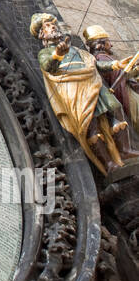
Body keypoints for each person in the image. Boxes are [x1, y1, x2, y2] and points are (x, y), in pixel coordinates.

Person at [31, 12, 129, 173]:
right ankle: (109, 163)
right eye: (47, 26)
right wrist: (57, 55)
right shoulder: (45, 53)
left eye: (53, 24)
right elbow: (48, 66)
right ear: (42, 34)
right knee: (91, 126)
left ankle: (124, 150)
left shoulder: (76, 49)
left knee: (115, 107)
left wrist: (115, 64)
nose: (53, 27)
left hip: (93, 83)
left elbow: (95, 64)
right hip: (74, 90)